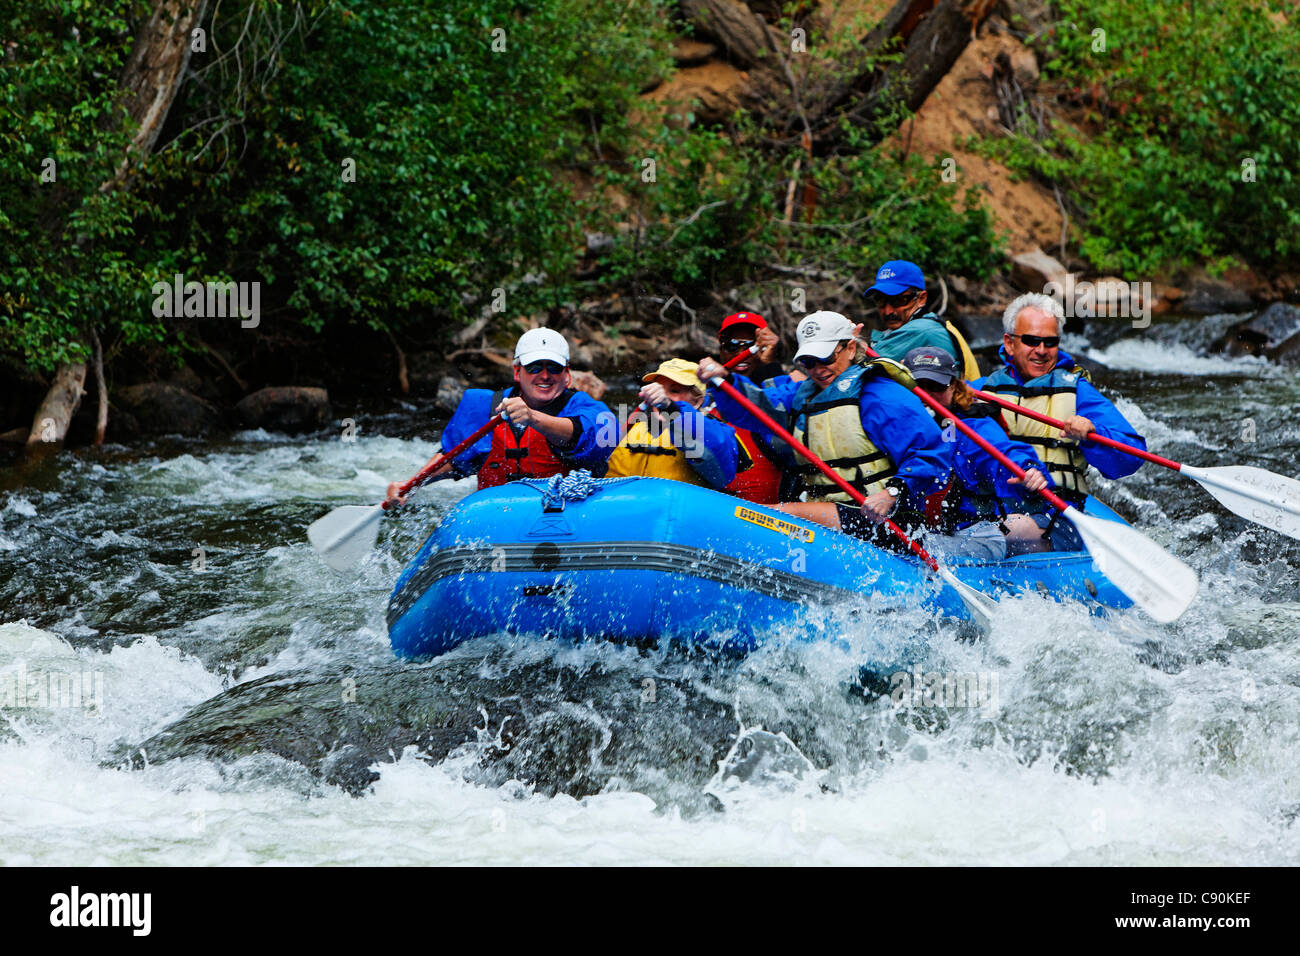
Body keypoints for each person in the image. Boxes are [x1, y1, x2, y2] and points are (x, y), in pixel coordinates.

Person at [698, 311, 952, 550]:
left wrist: (891, 493)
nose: (818, 369)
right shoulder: (800, 396)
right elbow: (754, 408)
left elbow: (933, 453)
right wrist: (725, 382)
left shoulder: (881, 395)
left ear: (850, 348)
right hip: (831, 511)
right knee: (773, 516)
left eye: (826, 358)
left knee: (775, 515)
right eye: (808, 362)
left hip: (888, 518)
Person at [975, 293, 1147, 549]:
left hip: (1056, 519)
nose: (1042, 351)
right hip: (992, 511)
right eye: (1032, 341)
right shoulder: (980, 391)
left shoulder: (1078, 392)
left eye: (1050, 342)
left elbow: (1131, 457)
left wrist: (1093, 434)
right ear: (1010, 343)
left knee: (1007, 530)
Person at [386, 328, 616, 499]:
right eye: (534, 367)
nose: (545, 376)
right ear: (518, 372)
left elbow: (594, 438)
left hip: (563, 514)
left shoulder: (588, 408)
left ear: (566, 374)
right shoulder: (485, 406)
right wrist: (412, 484)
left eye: (553, 368)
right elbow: (454, 459)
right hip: (499, 515)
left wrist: (533, 418)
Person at [901, 346, 1057, 559]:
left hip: (970, 533)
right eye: (918, 386)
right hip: (918, 527)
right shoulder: (894, 422)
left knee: (910, 547)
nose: (927, 395)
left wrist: (1027, 470)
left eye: (936, 386)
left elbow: (1004, 453)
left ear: (953, 387)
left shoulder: (972, 428)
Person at [605, 359, 739, 489]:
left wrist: (670, 407)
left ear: (698, 401)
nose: (660, 396)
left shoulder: (716, 432)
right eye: (658, 389)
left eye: (674, 391)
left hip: (682, 508)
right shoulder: (631, 429)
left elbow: (719, 473)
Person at [713, 312, 788, 503]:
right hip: (715, 510)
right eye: (732, 345)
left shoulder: (785, 387)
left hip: (769, 517)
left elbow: (786, 419)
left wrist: (770, 363)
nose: (740, 354)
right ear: (721, 349)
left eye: (749, 346)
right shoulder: (702, 395)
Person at [863, 260, 981, 380]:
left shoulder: (922, 329)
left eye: (898, 300)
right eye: (880, 301)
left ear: (921, 299)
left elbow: (865, 363)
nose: (888, 311)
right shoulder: (932, 323)